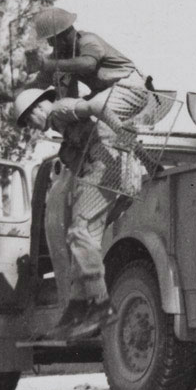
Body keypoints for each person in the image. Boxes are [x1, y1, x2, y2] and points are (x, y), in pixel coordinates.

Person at [14, 84, 147, 343]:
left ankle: (100, 305)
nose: (32, 125)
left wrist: (121, 131)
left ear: (39, 107)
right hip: (107, 170)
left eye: (29, 119)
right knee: (84, 245)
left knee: (78, 233)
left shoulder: (59, 110)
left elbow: (95, 106)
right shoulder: (58, 121)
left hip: (100, 169)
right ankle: (75, 309)